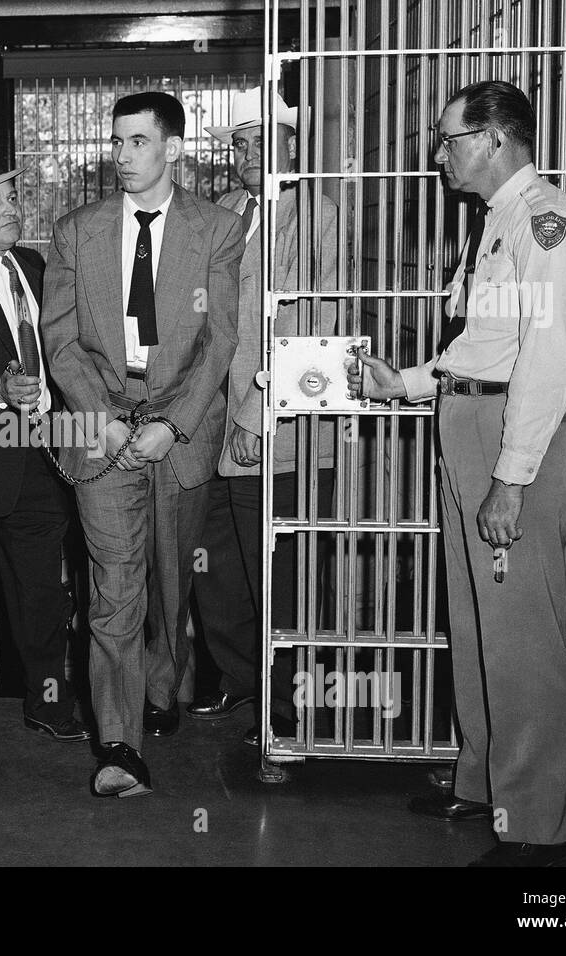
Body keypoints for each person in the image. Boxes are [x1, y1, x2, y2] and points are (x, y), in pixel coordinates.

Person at [348, 81, 566, 867]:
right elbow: (481, 349)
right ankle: (487, 782)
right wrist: (405, 383)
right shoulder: (498, 220)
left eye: (449, 138)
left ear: (494, 139)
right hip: (472, 425)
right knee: (477, 624)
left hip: (513, 440)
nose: (438, 153)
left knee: (522, 641)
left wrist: (511, 478)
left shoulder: (547, 223)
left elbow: (546, 362)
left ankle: (534, 829)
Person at [42, 91, 241, 796]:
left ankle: (162, 684)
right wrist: (104, 418)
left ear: (173, 149)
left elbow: (220, 339)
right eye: (117, 141)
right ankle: (119, 745)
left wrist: (172, 424)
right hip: (101, 426)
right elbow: (61, 340)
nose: (122, 155)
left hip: (180, 428)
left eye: (138, 142)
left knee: (170, 579)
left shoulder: (218, 230)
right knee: (114, 585)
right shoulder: (77, 231)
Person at [191, 87, 340, 747]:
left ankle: (286, 704)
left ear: (294, 145)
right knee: (218, 562)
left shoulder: (317, 215)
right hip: (214, 422)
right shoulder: (227, 209)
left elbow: (316, 326)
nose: (248, 153)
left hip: (280, 424)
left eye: (262, 141)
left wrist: (256, 415)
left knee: (278, 566)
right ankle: (237, 676)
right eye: (240, 143)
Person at [0, 144, 88, 742]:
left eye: (11, 197)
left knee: (41, 598)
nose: (11, 209)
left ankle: (48, 705)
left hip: (41, 455)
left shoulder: (32, 265)